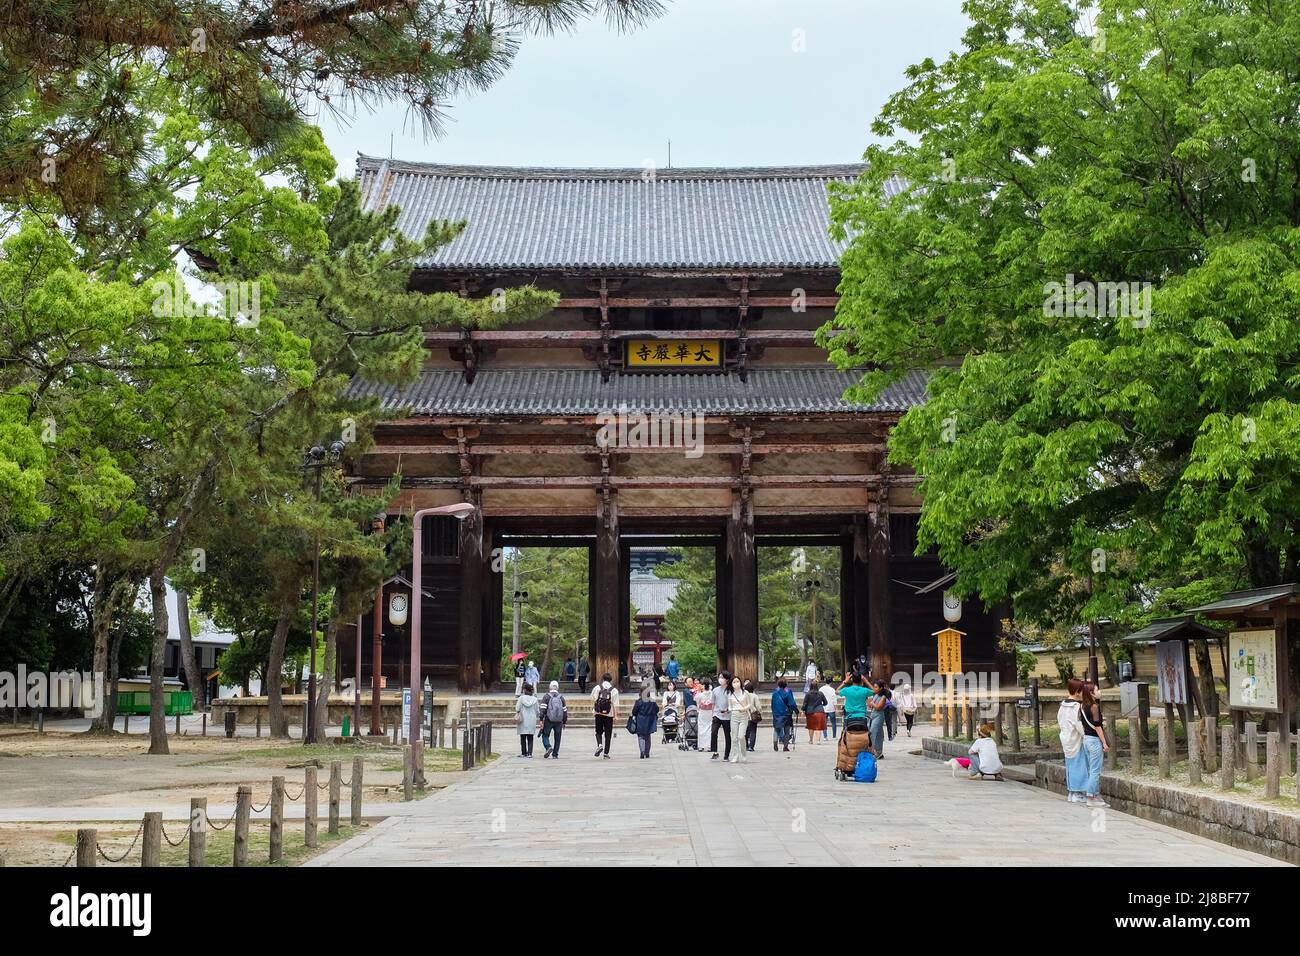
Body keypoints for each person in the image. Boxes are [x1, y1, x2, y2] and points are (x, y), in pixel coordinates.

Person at [1058, 678, 1088, 803]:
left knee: (1071, 764)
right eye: (1082, 691)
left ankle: (1072, 791)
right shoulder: (1076, 707)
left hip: (1066, 738)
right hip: (1076, 740)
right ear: (1077, 692)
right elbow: (1079, 725)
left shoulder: (1062, 706)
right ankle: (1078, 792)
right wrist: (1086, 735)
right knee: (1079, 764)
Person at [1080, 682, 1109, 807]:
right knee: (1095, 770)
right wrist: (1104, 742)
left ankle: (1095, 795)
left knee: (1091, 769)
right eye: (1097, 690)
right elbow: (1097, 727)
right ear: (1091, 693)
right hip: (1094, 740)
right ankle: (1091, 796)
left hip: (1086, 739)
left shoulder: (1082, 706)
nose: (1099, 692)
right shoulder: (1094, 707)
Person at [592, 672, 619, 759]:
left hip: (598, 713)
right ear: (611, 680)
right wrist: (616, 716)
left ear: (602, 679)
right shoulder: (614, 690)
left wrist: (595, 709)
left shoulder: (597, 688)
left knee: (598, 731)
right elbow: (615, 705)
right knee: (608, 734)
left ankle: (600, 744)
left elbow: (594, 699)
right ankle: (606, 753)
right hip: (609, 714)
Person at [539, 680, 567, 759]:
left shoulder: (546, 696)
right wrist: (564, 722)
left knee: (545, 735)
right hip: (559, 721)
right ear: (557, 688)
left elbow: (543, 709)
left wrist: (541, 719)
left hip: (548, 719)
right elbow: (564, 711)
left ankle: (548, 747)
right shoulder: (561, 697)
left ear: (549, 687)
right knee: (558, 737)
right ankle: (555, 754)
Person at [727, 676, 752, 763]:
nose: (736, 683)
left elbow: (750, 704)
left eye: (737, 681)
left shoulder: (745, 693)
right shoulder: (730, 694)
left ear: (740, 682)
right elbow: (729, 706)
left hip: (743, 715)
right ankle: (735, 756)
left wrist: (744, 708)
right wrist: (730, 710)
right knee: (734, 737)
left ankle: (744, 754)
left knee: (741, 736)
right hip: (734, 716)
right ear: (731, 684)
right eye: (734, 682)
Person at [770, 678, 798, 751]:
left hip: (777, 714)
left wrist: (773, 712)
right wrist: (796, 711)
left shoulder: (774, 693)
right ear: (786, 684)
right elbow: (792, 703)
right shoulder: (787, 693)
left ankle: (775, 742)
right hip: (786, 714)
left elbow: (772, 703)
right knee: (786, 730)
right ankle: (785, 746)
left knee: (776, 729)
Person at [632, 686, 660, 758]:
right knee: (648, 736)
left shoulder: (638, 701)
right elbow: (657, 709)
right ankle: (647, 752)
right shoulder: (652, 701)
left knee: (641, 736)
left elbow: (634, 711)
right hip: (650, 720)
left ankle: (642, 751)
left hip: (640, 720)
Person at [710, 671, 732, 760]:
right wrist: (712, 714)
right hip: (717, 714)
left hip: (727, 715)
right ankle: (715, 752)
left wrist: (728, 710)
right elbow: (713, 703)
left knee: (727, 735)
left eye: (722, 677)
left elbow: (732, 703)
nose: (720, 679)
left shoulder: (730, 691)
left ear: (727, 679)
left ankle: (726, 755)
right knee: (714, 732)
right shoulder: (715, 690)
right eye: (719, 677)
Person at [515, 683, 539, 757]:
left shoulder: (521, 698)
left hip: (523, 720)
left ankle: (524, 753)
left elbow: (517, 708)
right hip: (531, 720)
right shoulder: (535, 699)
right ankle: (530, 753)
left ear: (525, 690)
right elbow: (537, 711)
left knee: (523, 737)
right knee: (530, 737)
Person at [867, 679, 889, 757]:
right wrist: (869, 702)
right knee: (877, 733)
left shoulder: (883, 697)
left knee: (873, 732)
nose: (874, 688)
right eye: (874, 687)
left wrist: (872, 703)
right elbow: (871, 706)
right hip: (873, 715)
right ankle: (878, 751)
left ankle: (875, 751)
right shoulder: (875, 695)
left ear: (880, 688)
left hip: (879, 716)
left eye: (876, 687)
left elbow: (878, 707)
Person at [802, 679, 826, 744]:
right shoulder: (820, 693)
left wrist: (803, 711)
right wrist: (821, 705)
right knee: (818, 727)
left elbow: (805, 703)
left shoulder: (808, 694)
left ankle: (811, 740)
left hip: (810, 712)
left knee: (810, 726)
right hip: (819, 711)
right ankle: (818, 740)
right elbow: (825, 702)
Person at [696, 677, 715, 752]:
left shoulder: (700, 694)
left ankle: (701, 746)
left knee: (701, 727)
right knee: (709, 728)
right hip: (710, 711)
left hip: (702, 712)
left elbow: (697, 701)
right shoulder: (712, 693)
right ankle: (708, 746)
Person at [743, 679, 761, 752]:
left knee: (745, 731)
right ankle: (751, 746)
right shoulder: (754, 696)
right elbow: (758, 706)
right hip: (753, 715)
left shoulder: (743, 696)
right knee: (753, 731)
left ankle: (746, 745)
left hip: (745, 715)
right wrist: (759, 712)